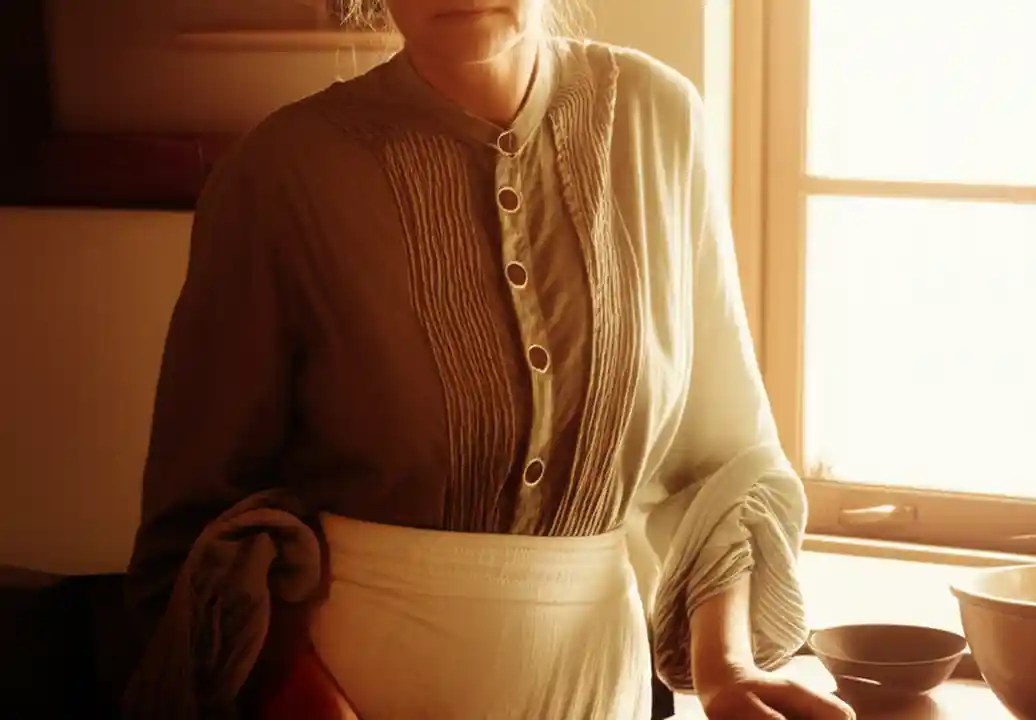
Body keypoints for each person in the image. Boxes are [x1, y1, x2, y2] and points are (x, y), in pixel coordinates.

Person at [124, 1, 854, 718]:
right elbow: (198, 522)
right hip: (350, 692)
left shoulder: (660, 120)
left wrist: (725, 671)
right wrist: (301, 699)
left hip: (600, 688)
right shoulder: (281, 171)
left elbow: (723, 457)